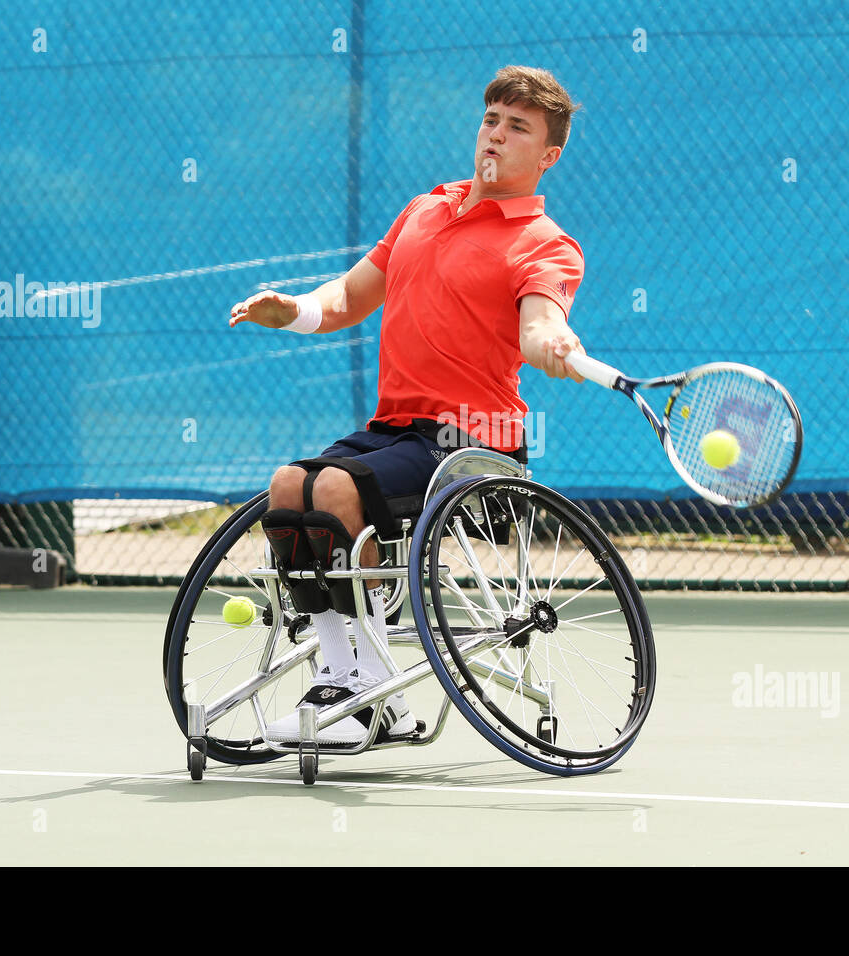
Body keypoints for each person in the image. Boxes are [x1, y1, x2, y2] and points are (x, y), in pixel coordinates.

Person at [228, 64, 587, 744]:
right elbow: (348, 299)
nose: (496, 136)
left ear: (547, 156)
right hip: (396, 429)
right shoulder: (422, 212)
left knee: (333, 488)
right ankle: (350, 678)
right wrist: (293, 311)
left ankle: (366, 695)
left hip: (472, 443)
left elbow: (541, 323)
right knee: (286, 488)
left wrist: (552, 342)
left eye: (518, 128)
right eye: (491, 119)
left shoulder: (545, 244)